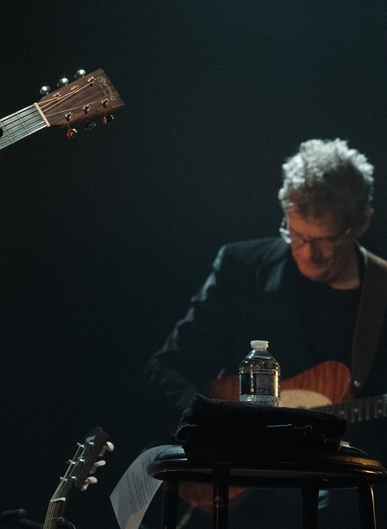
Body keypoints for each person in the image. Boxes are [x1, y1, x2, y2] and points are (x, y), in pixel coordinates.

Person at [146, 138, 381, 526]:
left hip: (347, 494)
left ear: (362, 223)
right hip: (244, 495)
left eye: (326, 240)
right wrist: (213, 425)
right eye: (296, 233)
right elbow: (166, 367)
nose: (307, 252)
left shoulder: (382, 293)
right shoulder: (241, 268)